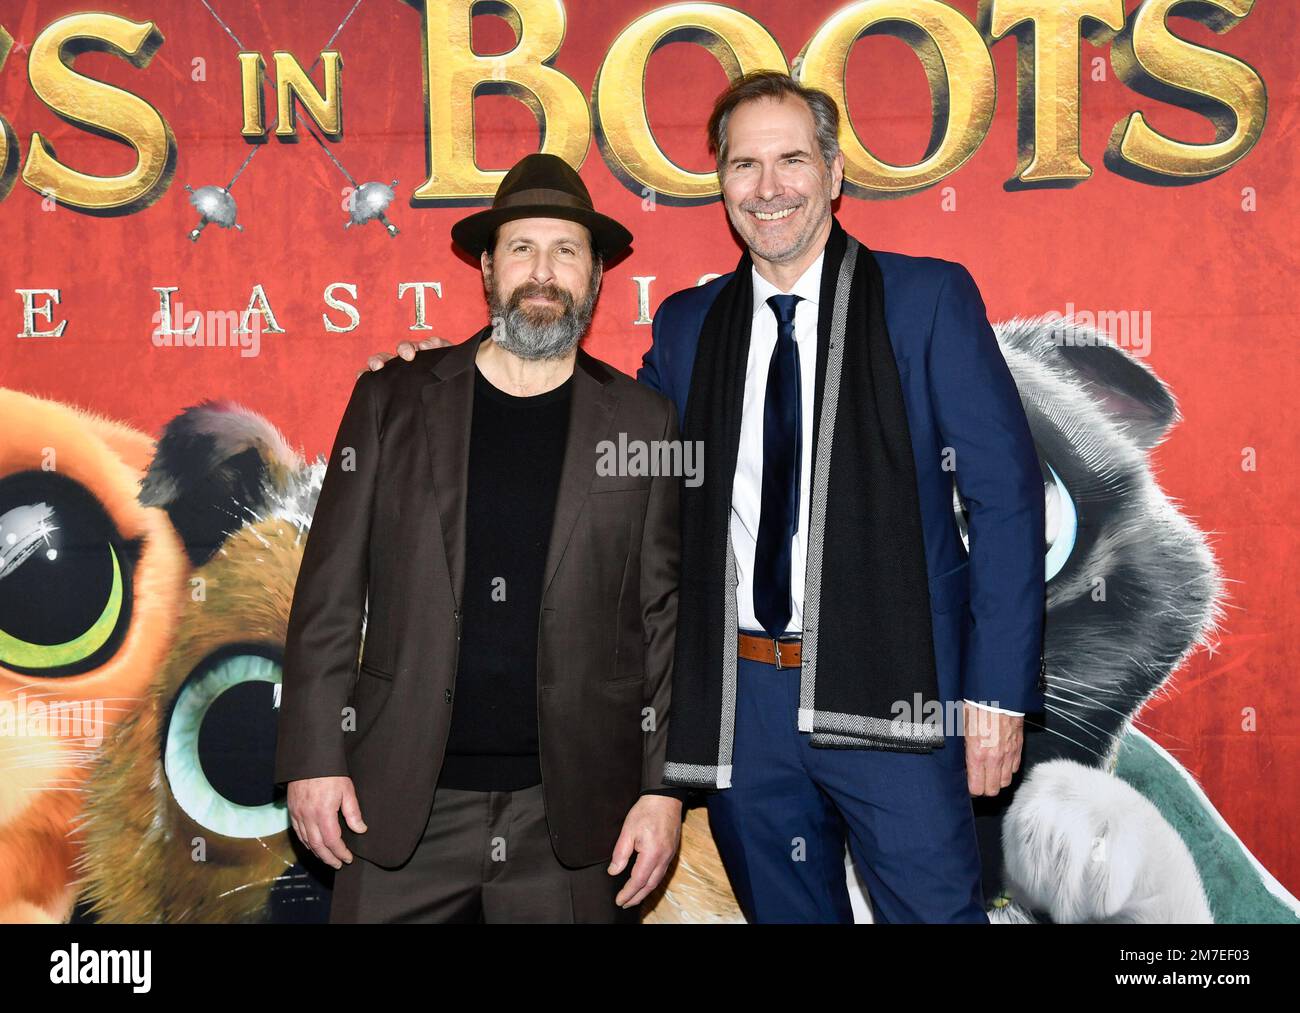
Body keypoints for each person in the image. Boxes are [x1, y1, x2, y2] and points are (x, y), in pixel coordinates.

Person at [368, 72, 1046, 924]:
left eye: (792, 160)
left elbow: (1007, 500)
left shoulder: (927, 299)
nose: (769, 188)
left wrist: (997, 696)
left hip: (896, 688)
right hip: (742, 705)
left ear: (835, 174)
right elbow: (604, 435)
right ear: (721, 184)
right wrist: (459, 375)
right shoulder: (690, 326)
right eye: (744, 165)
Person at [275, 152, 686, 923]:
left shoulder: (643, 422)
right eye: (522, 249)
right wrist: (315, 756)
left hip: (571, 816)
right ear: (488, 268)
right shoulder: (392, 398)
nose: (543, 271)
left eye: (566, 250)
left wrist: (662, 787)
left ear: (596, 277)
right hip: (397, 802)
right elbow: (328, 595)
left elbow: (664, 620)